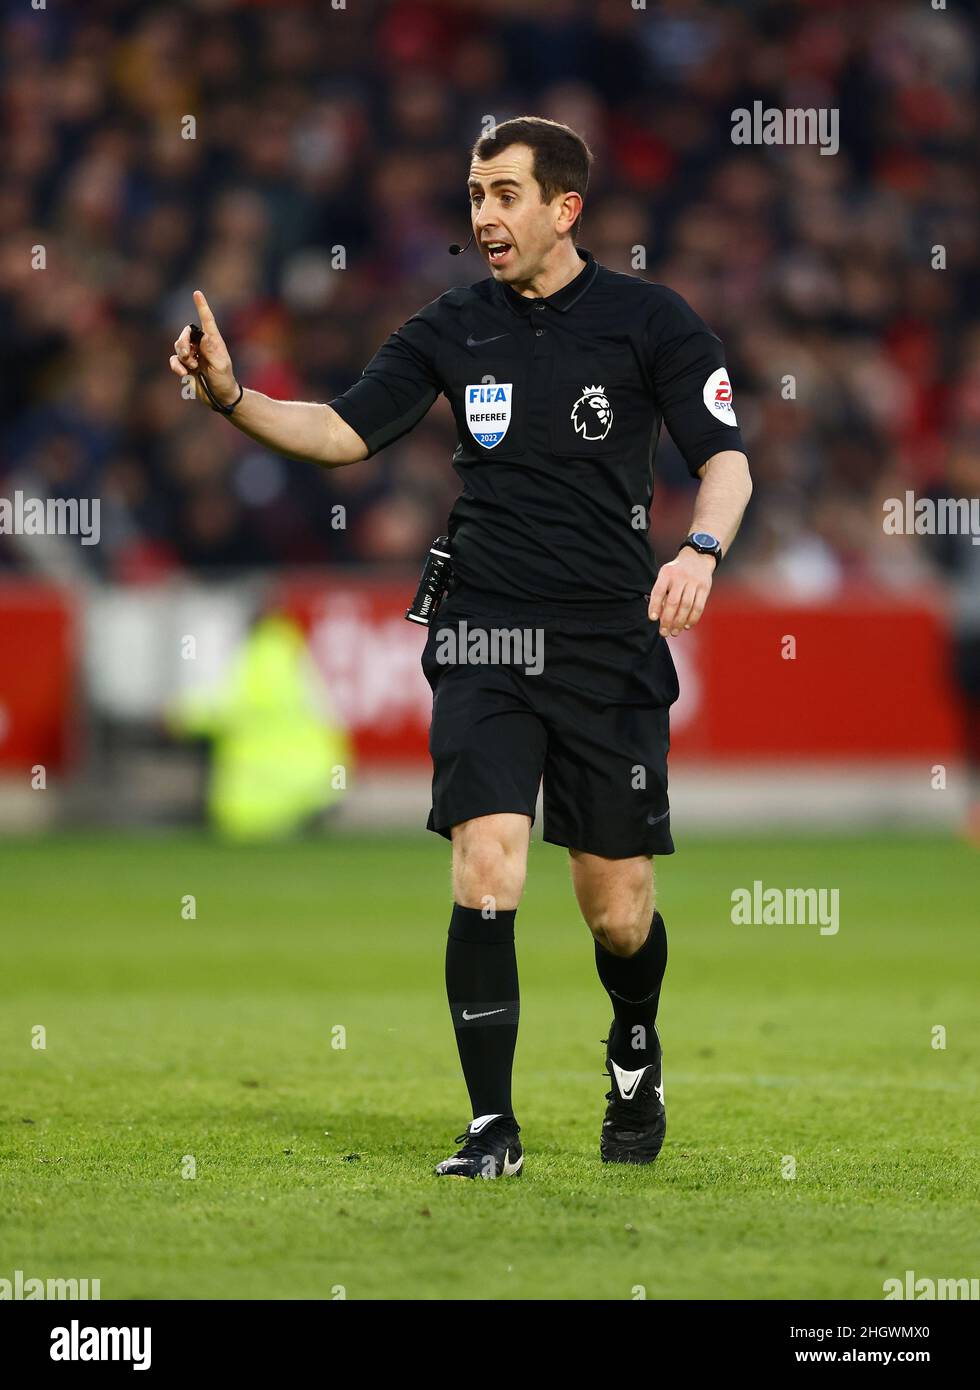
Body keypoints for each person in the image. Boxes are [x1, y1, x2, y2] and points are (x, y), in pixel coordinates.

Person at [169, 116, 753, 1179]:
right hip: (482, 629)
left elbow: (725, 460)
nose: (482, 215)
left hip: (605, 642)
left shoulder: (649, 322)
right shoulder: (449, 328)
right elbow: (344, 432)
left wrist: (701, 548)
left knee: (615, 909)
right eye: (474, 194)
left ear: (563, 209)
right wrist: (232, 398)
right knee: (486, 866)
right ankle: (491, 1126)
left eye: (503, 195)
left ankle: (632, 1047)